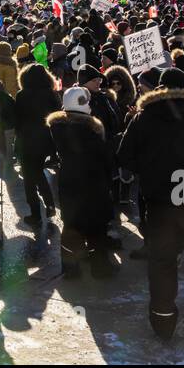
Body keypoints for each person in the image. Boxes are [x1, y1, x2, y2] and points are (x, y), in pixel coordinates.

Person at [117, 68, 184, 339]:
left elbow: (124, 158)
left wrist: (149, 169)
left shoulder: (143, 119)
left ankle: (162, 321)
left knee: (162, 263)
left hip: (159, 205)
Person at [48, 86, 118, 279]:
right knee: (96, 227)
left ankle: (71, 269)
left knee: (71, 225)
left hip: (69, 180)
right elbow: (106, 159)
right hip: (93, 182)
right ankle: (100, 267)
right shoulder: (92, 130)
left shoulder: (57, 127)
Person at [13, 63, 59, 228]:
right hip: (45, 140)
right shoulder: (51, 94)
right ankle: (50, 204)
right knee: (39, 172)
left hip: (27, 140)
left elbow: (17, 120)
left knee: (29, 179)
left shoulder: (22, 95)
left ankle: (35, 213)